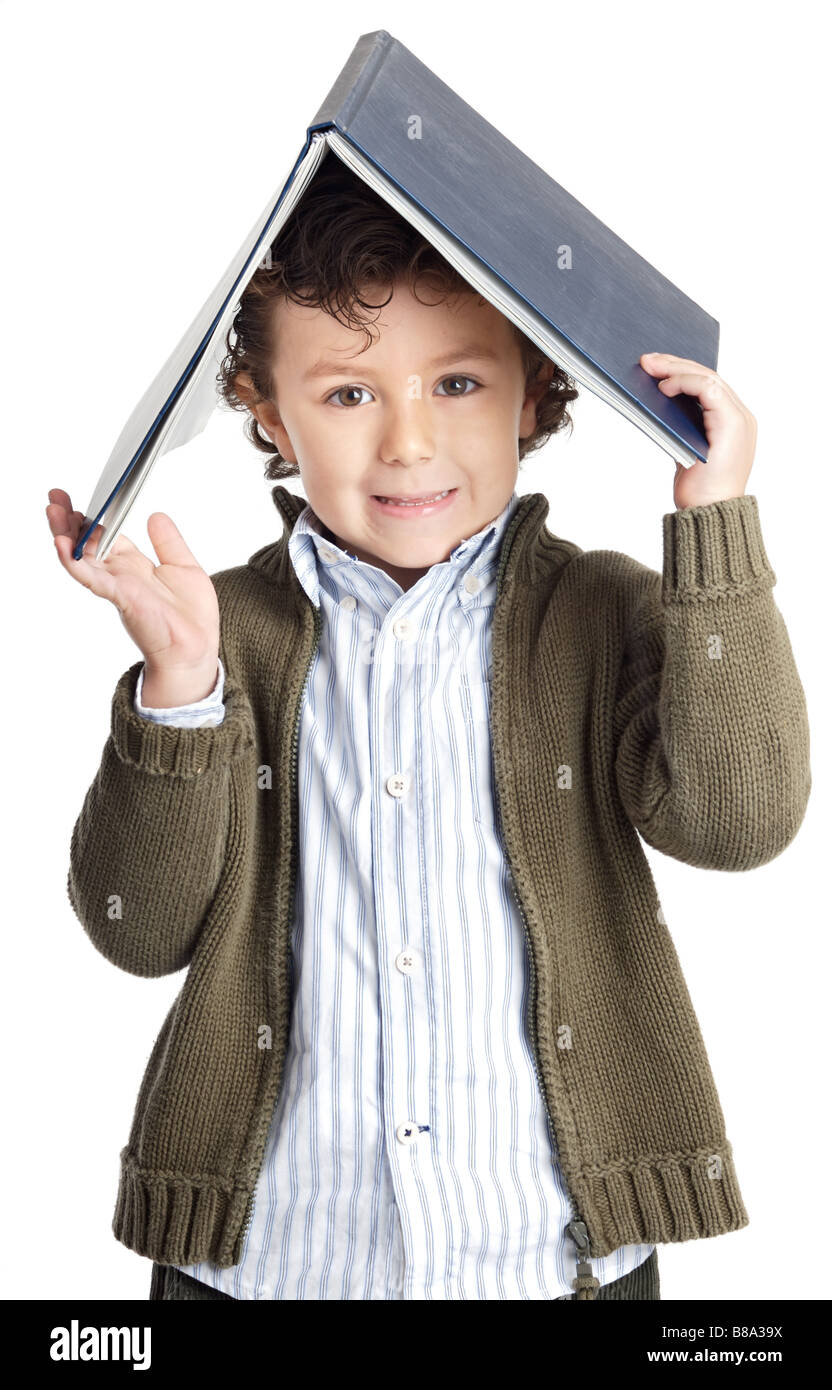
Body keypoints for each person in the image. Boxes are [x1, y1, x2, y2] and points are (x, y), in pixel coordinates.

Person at [48, 157, 810, 1301]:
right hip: (269, 1267)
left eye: (455, 383)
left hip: (548, 1263)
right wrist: (183, 686)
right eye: (350, 395)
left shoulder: (602, 611)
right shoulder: (229, 635)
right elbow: (134, 928)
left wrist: (715, 530)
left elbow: (740, 821)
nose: (407, 442)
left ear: (535, 389)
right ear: (268, 409)